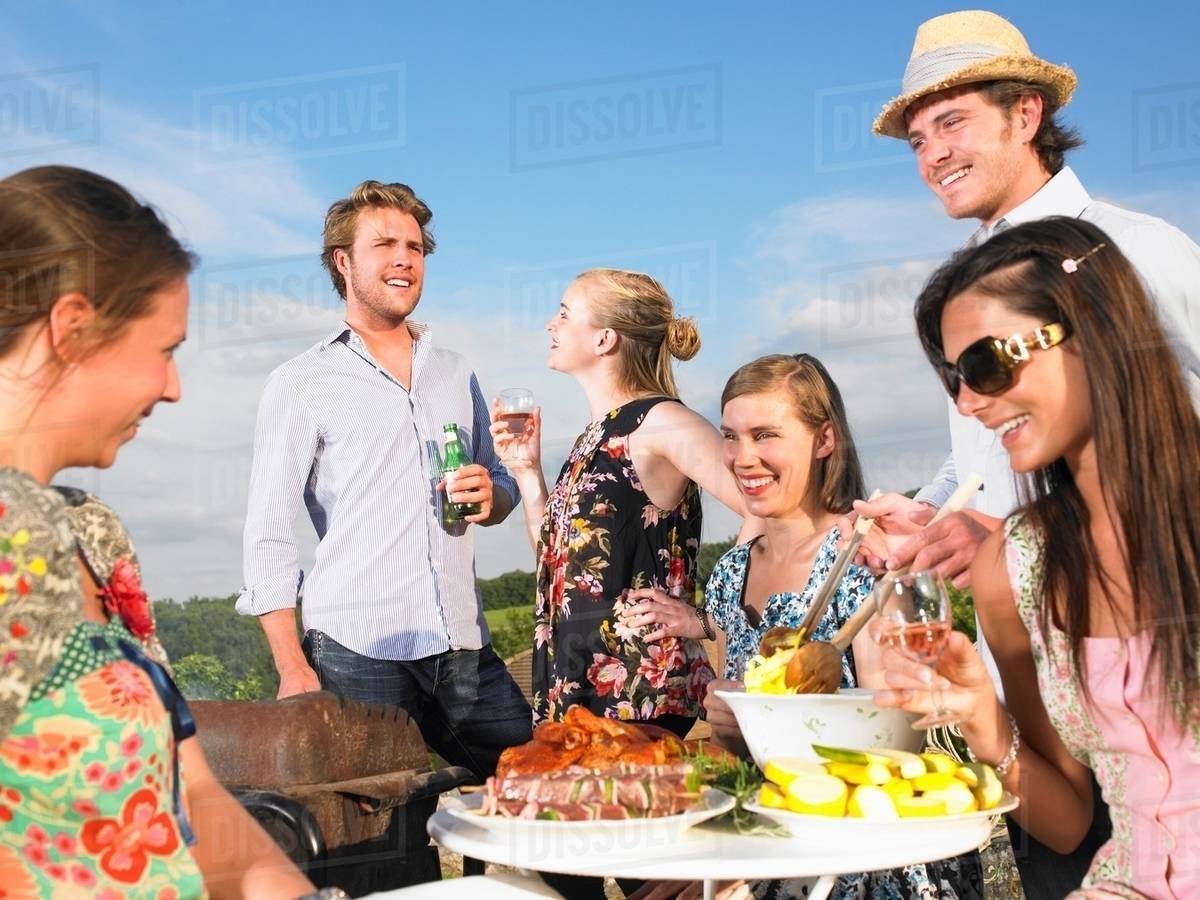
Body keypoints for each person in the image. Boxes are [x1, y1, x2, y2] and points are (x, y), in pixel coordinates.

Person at [860, 11, 1200, 893]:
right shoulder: (970, 296)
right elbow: (979, 459)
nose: (933, 153)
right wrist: (933, 519)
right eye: (918, 138)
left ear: (1027, 114)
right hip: (1051, 659)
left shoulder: (1137, 254)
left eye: (953, 121)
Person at [0, 165, 314, 897]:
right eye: (166, 349)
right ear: (73, 329)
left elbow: (193, 790)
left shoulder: (91, 533)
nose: (174, 388)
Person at [625, 354, 981, 900]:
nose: (744, 458)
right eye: (731, 436)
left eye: (765, 435)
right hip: (778, 831)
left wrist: (741, 856)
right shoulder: (729, 576)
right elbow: (744, 750)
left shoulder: (869, 556)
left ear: (824, 440)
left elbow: (899, 742)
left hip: (869, 846)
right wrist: (729, 724)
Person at [238, 180, 531, 782]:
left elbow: (499, 485)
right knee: (383, 840)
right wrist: (293, 667)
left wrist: (492, 495)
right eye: (385, 245)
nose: (405, 258)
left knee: (542, 788)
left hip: (463, 646)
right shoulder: (300, 382)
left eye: (415, 247)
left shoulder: (454, 370)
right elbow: (268, 529)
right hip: (354, 651)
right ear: (343, 262)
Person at [493, 269, 762, 736]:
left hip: (639, 698)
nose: (550, 326)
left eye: (563, 313)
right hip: (575, 693)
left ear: (604, 340)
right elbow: (557, 569)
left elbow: (769, 509)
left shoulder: (662, 422)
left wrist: (705, 618)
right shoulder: (595, 436)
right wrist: (527, 474)